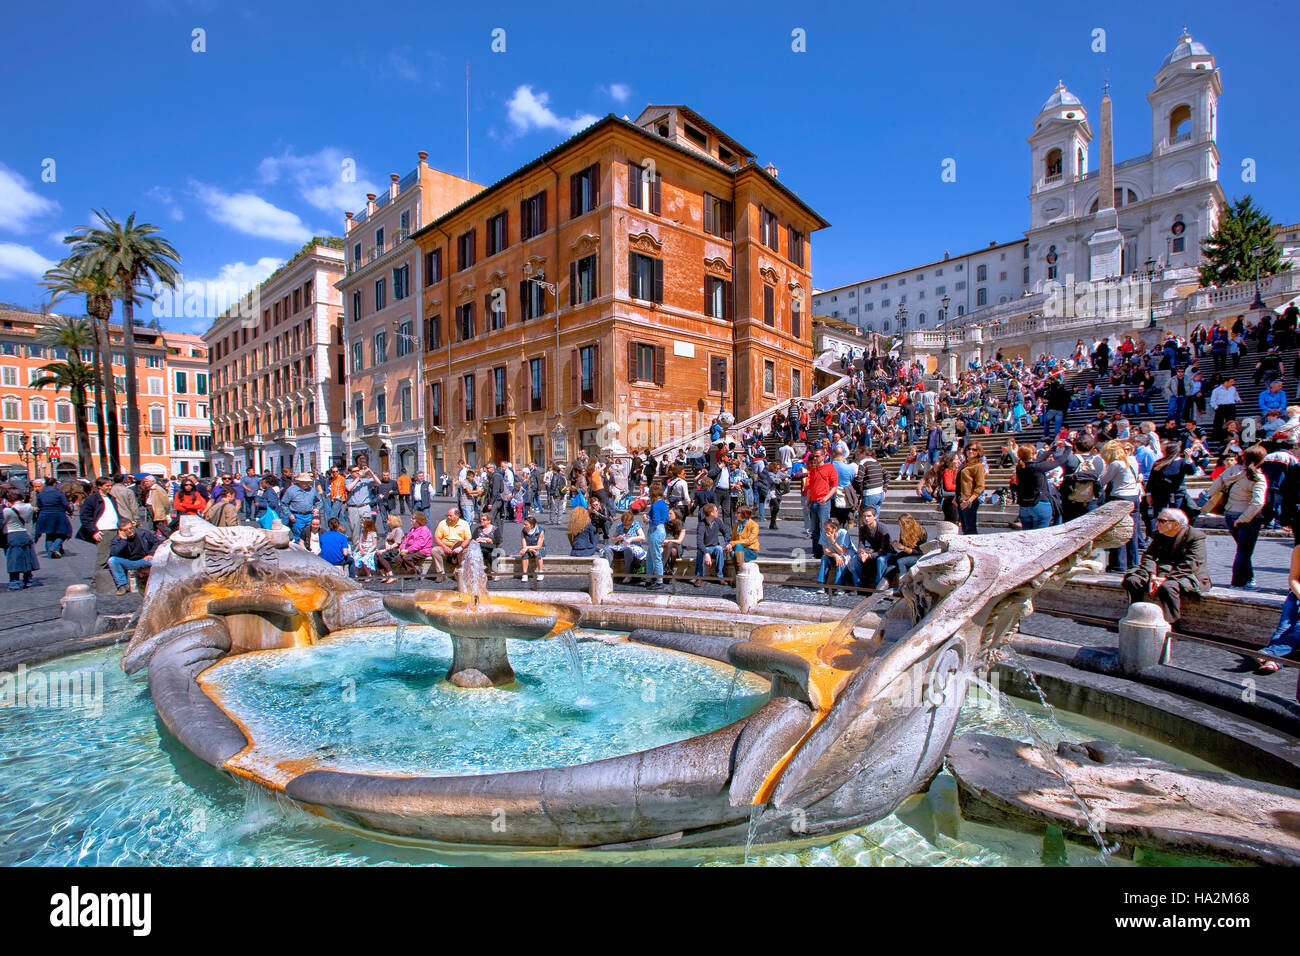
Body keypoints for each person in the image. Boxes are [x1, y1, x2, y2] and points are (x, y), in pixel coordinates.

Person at [1122, 508, 1209, 626]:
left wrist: (1166, 578)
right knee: (1132, 580)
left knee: (1168, 586)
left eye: (1162, 521)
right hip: (1161, 571)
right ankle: (1137, 614)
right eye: (1157, 520)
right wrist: (1152, 575)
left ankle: (1172, 624)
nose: (1157, 524)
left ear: (1176, 524)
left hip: (1185, 573)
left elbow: (1191, 563)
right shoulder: (1159, 534)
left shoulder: (1195, 537)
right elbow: (1149, 556)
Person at [1207, 444, 1268, 588]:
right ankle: (1238, 581)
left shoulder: (1231, 471)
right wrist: (1244, 518)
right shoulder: (1257, 477)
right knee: (1244, 551)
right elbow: (1257, 502)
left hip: (1230, 514)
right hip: (1247, 517)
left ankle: (1249, 578)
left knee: (1243, 549)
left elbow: (1213, 490)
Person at [1099, 439, 1144, 573]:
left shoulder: (1116, 464)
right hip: (1134, 496)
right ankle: (1133, 561)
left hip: (1120, 496)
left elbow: (1103, 481)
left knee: (1119, 530)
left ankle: (1119, 564)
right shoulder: (1132, 460)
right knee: (1133, 530)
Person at [1255, 544, 1300, 674]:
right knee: (1283, 628)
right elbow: (1293, 579)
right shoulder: (1299, 550)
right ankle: (1273, 661)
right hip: (1297, 594)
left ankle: (1268, 654)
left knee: (1299, 628)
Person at [106, 518, 162, 595]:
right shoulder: (117, 539)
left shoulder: (143, 533)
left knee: (159, 560)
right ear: (120, 531)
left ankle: (158, 582)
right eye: (125, 530)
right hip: (128, 561)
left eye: (130, 528)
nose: (129, 531)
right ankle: (122, 585)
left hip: (144, 559)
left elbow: (157, 542)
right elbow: (114, 552)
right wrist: (123, 540)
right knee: (112, 560)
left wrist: (150, 554)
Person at [2, 489, 39, 590]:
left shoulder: (8, 511)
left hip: (12, 534)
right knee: (27, 557)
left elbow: (3, 522)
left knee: (14, 559)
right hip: (25, 533)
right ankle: (28, 580)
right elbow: (28, 520)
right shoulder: (29, 507)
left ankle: (14, 583)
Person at [604, 511, 648, 583]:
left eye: (627, 524)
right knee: (608, 550)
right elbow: (613, 540)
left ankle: (628, 575)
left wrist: (631, 539)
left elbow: (643, 537)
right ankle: (608, 571)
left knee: (628, 550)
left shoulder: (636, 525)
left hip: (634, 550)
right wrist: (618, 538)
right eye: (624, 524)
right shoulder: (619, 526)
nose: (625, 526)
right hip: (621, 547)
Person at [430, 507, 472, 582]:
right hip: (446, 546)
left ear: (457, 516)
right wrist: (444, 547)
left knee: (466, 551)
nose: (448, 517)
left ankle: (459, 572)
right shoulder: (443, 523)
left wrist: (461, 547)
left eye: (450, 515)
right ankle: (440, 573)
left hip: (458, 546)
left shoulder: (464, 524)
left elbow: (468, 539)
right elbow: (437, 538)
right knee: (434, 550)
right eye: (448, 515)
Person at [34, 478, 73, 558]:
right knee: (65, 532)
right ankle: (54, 547)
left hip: (44, 515)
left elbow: (39, 505)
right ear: (55, 483)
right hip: (58, 514)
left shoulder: (41, 494)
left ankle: (50, 553)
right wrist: (70, 512)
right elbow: (65, 504)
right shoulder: (59, 493)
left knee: (49, 534)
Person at [856, 506, 893, 590]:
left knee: (881, 560)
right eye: (864, 516)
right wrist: (861, 553)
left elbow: (884, 549)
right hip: (873, 551)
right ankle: (858, 585)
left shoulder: (882, 528)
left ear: (875, 517)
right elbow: (861, 543)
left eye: (869, 516)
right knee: (856, 558)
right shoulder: (862, 528)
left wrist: (869, 556)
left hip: (886, 552)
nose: (866, 518)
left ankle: (878, 587)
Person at [389, 510, 433, 576]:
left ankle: (416, 569)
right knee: (398, 558)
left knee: (406, 558)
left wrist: (407, 550)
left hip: (422, 550)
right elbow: (405, 540)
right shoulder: (412, 529)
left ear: (418, 520)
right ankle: (406, 573)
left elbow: (420, 544)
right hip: (411, 549)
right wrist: (402, 548)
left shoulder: (424, 529)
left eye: (413, 518)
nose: (411, 519)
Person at [691, 502, 726, 587]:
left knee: (719, 549)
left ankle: (720, 576)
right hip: (704, 547)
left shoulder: (718, 521)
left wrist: (728, 542)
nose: (718, 512)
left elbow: (726, 531)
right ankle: (699, 577)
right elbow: (699, 542)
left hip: (714, 547)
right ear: (711, 513)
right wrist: (706, 552)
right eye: (716, 511)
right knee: (700, 552)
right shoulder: (702, 524)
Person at [644, 482, 671, 589]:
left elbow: (654, 521)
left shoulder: (655, 505)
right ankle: (649, 579)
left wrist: (646, 519)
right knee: (651, 556)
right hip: (661, 530)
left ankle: (659, 581)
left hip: (655, 531)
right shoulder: (664, 504)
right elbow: (667, 518)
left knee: (654, 557)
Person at [281, 472, 323, 539]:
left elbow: (319, 501)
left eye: (308, 482)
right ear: (299, 481)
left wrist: (317, 509)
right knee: (298, 536)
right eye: (304, 482)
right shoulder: (291, 490)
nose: (306, 484)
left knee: (310, 535)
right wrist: (289, 514)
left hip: (309, 515)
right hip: (297, 516)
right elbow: (284, 504)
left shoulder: (312, 490)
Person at [957, 441, 985, 534]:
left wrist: (969, 501)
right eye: (969, 449)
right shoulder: (964, 464)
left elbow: (980, 486)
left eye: (974, 449)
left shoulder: (978, 466)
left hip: (969, 500)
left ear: (978, 452)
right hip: (960, 499)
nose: (970, 451)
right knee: (965, 528)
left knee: (970, 529)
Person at [345, 464, 377, 543]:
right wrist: (358, 478)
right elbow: (349, 488)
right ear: (350, 473)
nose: (357, 472)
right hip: (353, 508)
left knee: (368, 528)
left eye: (358, 471)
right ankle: (356, 551)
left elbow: (378, 482)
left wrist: (370, 472)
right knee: (355, 530)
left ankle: (368, 548)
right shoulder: (348, 480)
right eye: (354, 471)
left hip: (365, 506)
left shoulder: (365, 480)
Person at [893, 512, 927, 579]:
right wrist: (897, 545)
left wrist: (903, 548)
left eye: (902, 526)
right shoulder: (903, 531)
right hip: (908, 553)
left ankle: (903, 581)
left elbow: (919, 551)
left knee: (901, 561)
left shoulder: (921, 532)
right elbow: (902, 546)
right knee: (892, 558)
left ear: (908, 524)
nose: (900, 527)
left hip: (918, 556)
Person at [725, 505, 760, 571]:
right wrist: (729, 546)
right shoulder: (736, 526)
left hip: (750, 551)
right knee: (733, 551)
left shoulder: (754, 525)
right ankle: (740, 572)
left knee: (737, 547)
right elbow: (732, 539)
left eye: (738, 513)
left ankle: (740, 572)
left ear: (745, 514)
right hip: (738, 550)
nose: (735, 515)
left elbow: (750, 541)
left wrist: (733, 543)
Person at [473, 511, 503, 579]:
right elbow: (474, 539)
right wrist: (482, 540)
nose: (481, 521)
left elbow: (498, 540)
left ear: (489, 521)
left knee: (491, 554)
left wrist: (489, 540)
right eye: (481, 519)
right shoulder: (478, 529)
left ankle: (495, 572)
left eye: (484, 519)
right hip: (481, 549)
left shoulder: (495, 529)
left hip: (492, 548)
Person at [518, 515, 546, 583]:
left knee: (538, 553)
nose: (524, 526)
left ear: (532, 525)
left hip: (540, 547)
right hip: (529, 548)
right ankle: (524, 574)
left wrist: (528, 548)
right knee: (524, 554)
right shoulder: (523, 531)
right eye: (524, 524)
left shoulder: (540, 531)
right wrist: (528, 549)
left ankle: (540, 571)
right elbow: (524, 544)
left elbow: (539, 546)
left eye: (526, 524)